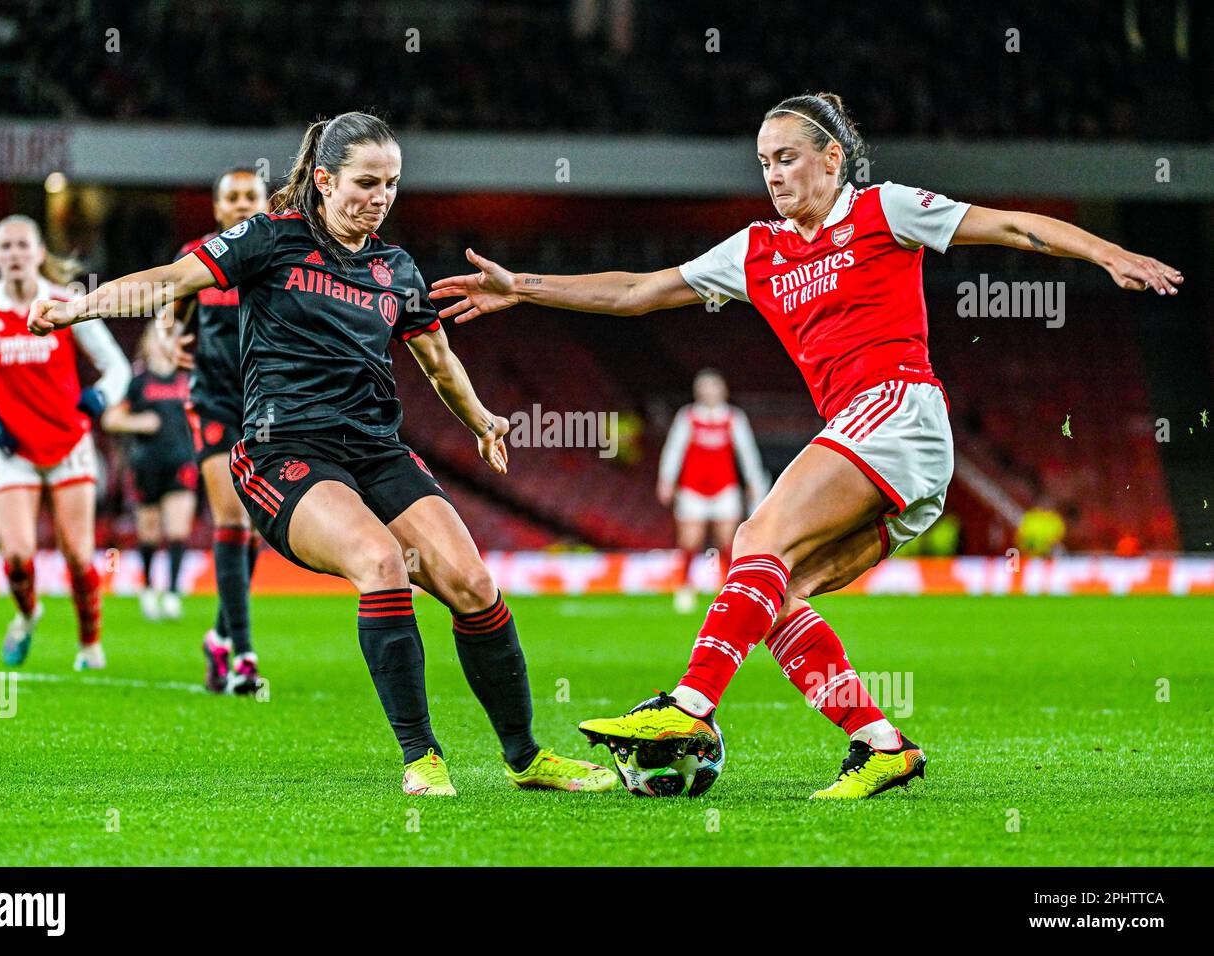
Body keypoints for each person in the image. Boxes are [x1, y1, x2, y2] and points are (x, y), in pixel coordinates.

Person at [430, 92, 1183, 799]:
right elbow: (638, 292)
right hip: (882, 448)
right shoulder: (755, 251)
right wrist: (523, 286)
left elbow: (1013, 226)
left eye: (787, 157)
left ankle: (688, 705)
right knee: (770, 589)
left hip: (898, 407)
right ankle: (883, 745)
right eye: (763, 162)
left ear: (833, 159)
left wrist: (1104, 252)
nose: (773, 175)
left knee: (757, 533)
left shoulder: (885, 210)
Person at [27, 111, 617, 797]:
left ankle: (525, 758)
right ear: (324, 179)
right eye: (367, 182)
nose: (381, 197)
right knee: (381, 561)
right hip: (283, 456)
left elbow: (438, 360)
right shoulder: (269, 240)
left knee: (474, 586)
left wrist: (482, 418)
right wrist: (79, 308)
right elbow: (170, 281)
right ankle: (422, 759)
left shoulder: (395, 268)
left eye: (392, 184)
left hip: (375, 451)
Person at [0, 214, 131, 669]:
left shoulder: (66, 304)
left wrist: (99, 398)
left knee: (77, 554)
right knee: (17, 555)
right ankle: (27, 616)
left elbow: (118, 366)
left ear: (39, 253)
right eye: (4, 247)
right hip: (12, 450)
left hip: (69, 445)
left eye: (22, 245)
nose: (13, 254)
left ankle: (89, 644)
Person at [158, 168, 268, 692]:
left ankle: (219, 639)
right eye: (233, 198)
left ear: (265, 203)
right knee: (233, 519)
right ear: (218, 209)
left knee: (258, 529)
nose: (243, 203)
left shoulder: (278, 257)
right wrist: (170, 340)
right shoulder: (196, 257)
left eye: (252, 196)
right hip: (213, 402)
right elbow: (170, 314)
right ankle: (244, 656)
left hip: (269, 407)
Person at [103, 323, 198, 621]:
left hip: (182, 461)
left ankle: (171, 592)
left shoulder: (189, 379)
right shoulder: (138, 381)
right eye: (158, 338)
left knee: (178, 530)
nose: (163, 343)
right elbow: (111, 419)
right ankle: (146, 588)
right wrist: (138, 422)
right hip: (146, 464)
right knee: (149, 531)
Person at [657, 368, 769, 613]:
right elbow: (674, 450)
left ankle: (727, 590)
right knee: (690, 540)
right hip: (692, 489)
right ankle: (685, 588)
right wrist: (666, 479)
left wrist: (754, 482)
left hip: (724, 488)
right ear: (698, 391)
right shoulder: (687, 417)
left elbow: (747, 452)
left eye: (714, 387)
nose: (709, 392)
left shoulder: (733, 417)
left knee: (726, 541)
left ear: (723, 390)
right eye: (705, 387)